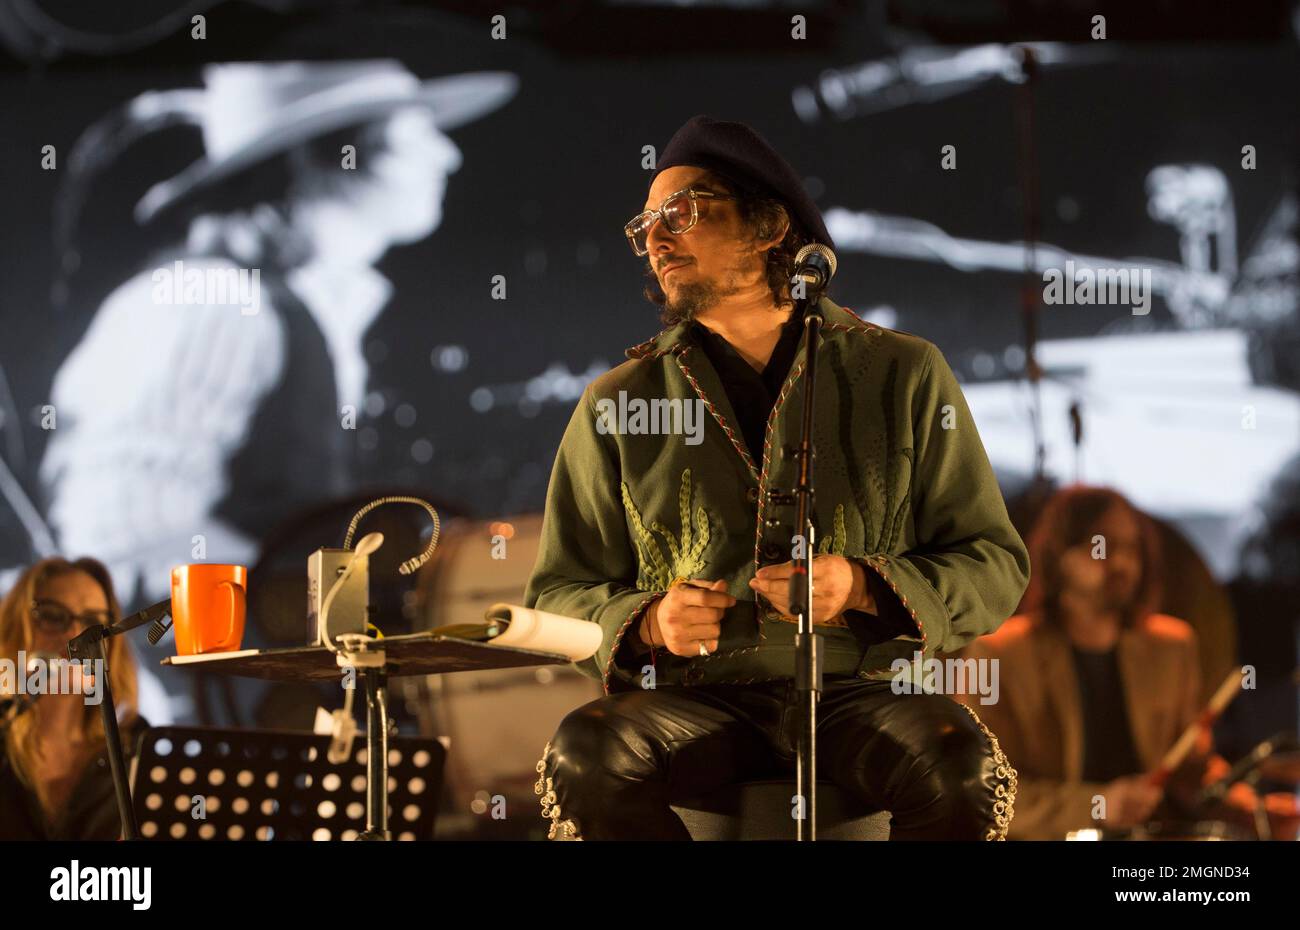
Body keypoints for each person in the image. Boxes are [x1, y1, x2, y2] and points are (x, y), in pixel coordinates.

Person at [525, 115, 1031, 840]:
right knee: (586, 754)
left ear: (768, 225)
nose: (658, 239)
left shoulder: (904, 371)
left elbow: (994, 563)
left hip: (862, 692)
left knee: (961, 767)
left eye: (684, 212)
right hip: (696, 699)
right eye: (646, 226)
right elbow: (557, 591)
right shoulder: (619, 399)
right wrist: (649, 621)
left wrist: (860, 586)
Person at [957, 485, 1297, 839]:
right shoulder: (998, 653)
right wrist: (1097, 803)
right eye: (1101, 546)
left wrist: (1256, 810)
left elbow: (1192, 772)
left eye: (1131, 548)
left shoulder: (1171, 646)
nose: (1122, 562)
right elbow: (984, 790)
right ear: (1060, 555)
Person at [0, 556, 143, 840]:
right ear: (16, 627)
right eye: (53, 615)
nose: (74, 633)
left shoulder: (139, 749)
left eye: (93, 622)